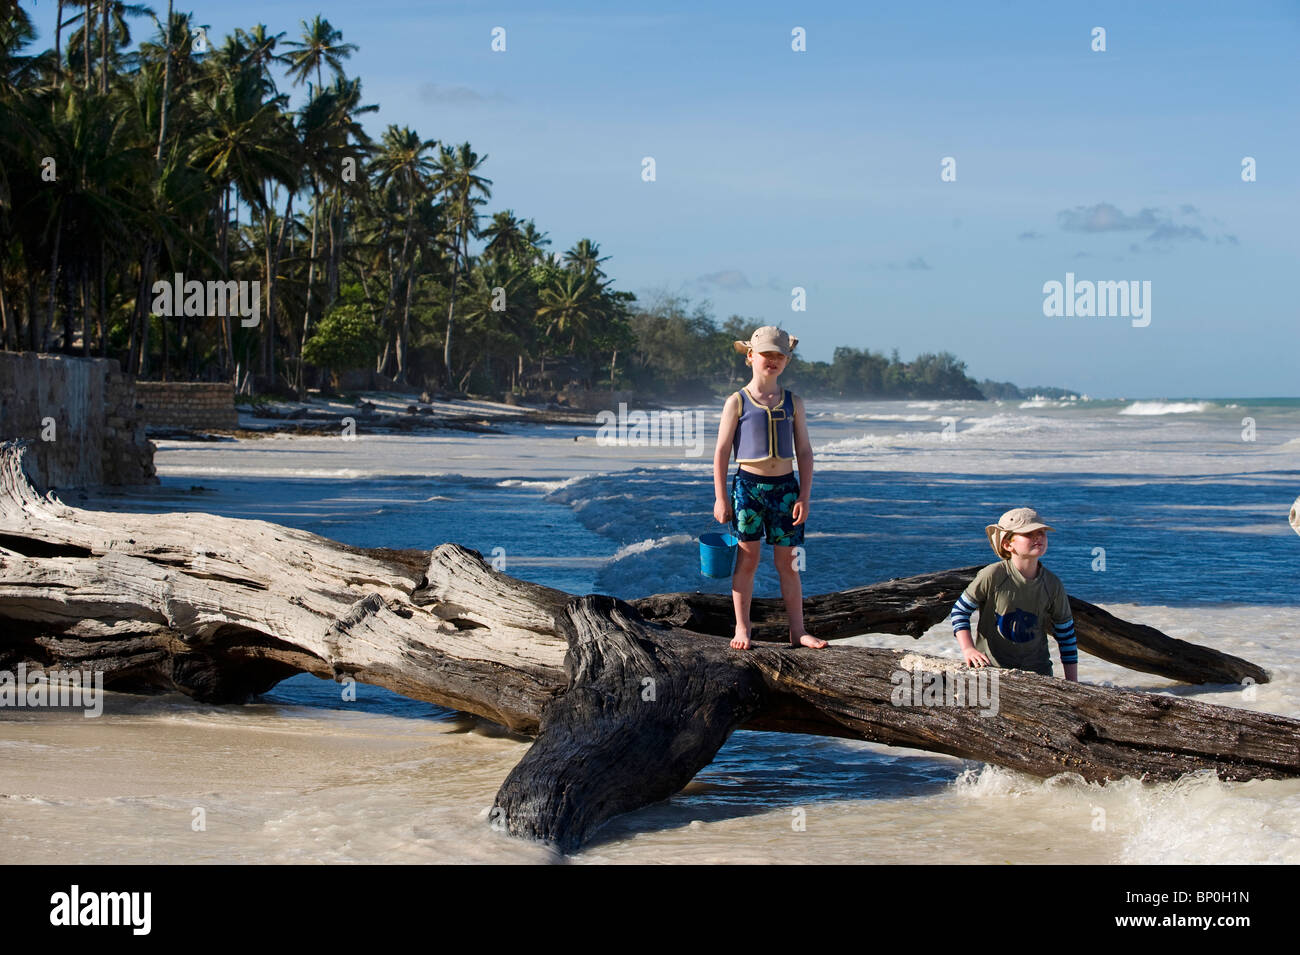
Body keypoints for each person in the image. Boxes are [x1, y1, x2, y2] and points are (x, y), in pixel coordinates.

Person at [712, 326, 827, 651]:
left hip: (786, 490)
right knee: (747, 561)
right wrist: (721, 498)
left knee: (788, 563)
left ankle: (798, 630)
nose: (772, 361)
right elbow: (721, 452)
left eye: (779, 356)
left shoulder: (794, 402)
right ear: (750, 356)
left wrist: (804, 495)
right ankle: (742, 628)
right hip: (748, 488)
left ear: (787, 361)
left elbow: (804, 451)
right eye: (766, 355)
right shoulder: (736, 401)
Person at [950, 507, 1078, 680]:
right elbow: (960, 611)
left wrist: (1072, 683)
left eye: (1041, 532)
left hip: (1039, 674)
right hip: (991, 669)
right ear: (1007, 544)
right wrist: (968, 649)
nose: (1038, 537)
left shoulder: (1053, 584)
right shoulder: (993, 575)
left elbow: (1066, 635)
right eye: (1028, 533)